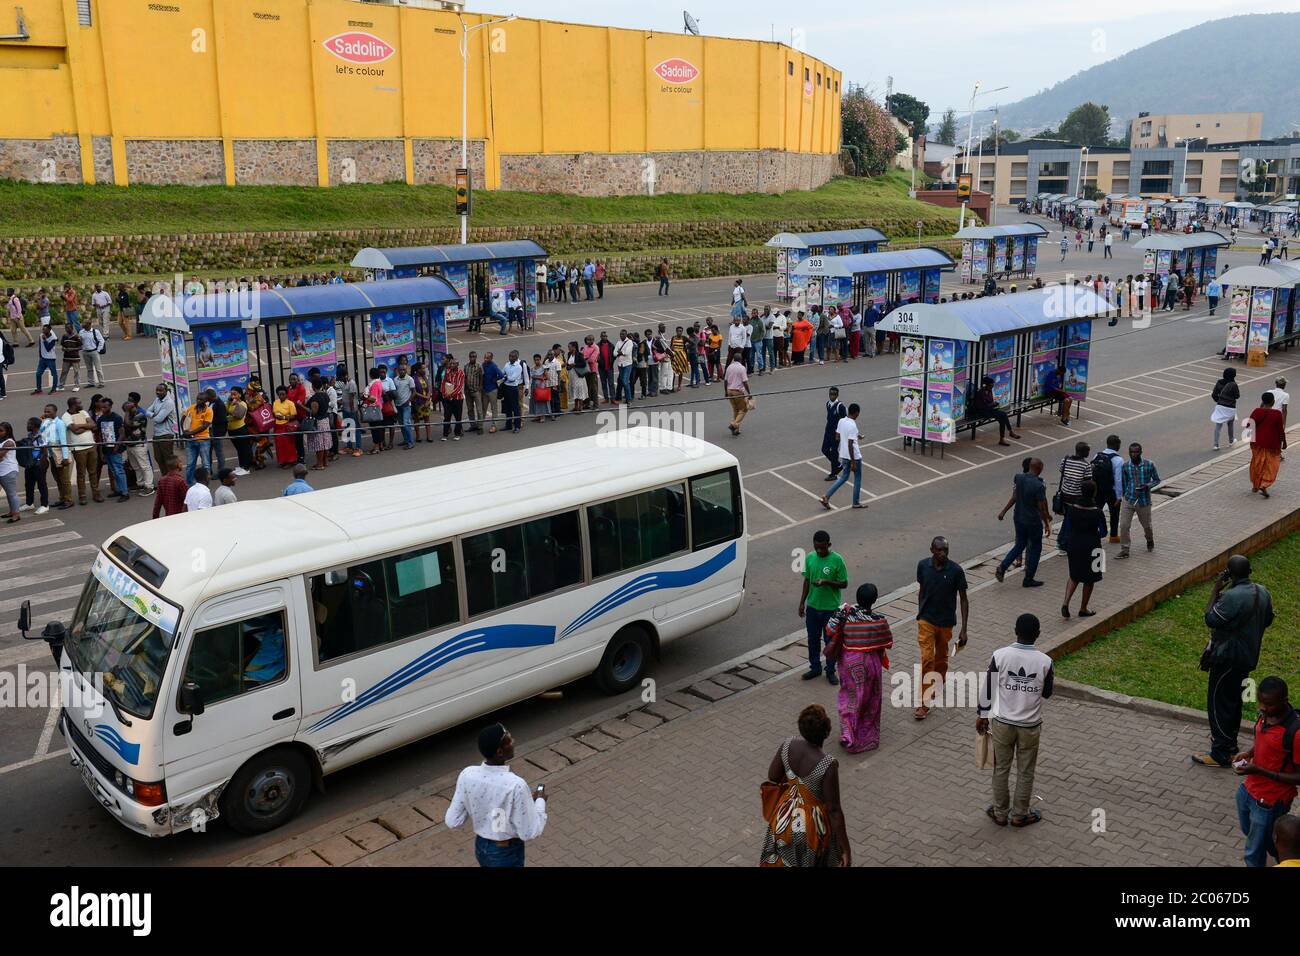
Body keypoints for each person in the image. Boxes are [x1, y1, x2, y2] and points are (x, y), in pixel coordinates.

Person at [1192, 555, 1274, 770]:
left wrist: (1216, 588)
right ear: (1250, 571)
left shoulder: (1231, 596)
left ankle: (1220, 753)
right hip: (1248, 656)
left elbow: (1210, 617)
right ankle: (1230, 743)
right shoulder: (1263, 591)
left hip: (1227, 658)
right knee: (1234, 701)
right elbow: (1268, 619)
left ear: (1230, 574)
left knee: (1219, 704)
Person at [977, 613, 1054, 828]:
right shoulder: (1045, 661)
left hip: (1002, 723)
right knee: (1026, 770)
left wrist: (982, 715)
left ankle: (1000, 812)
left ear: (1015, 632)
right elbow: (1047, 693)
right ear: (1038, 634)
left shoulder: (1000, 655)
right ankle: (1020, 814)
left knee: (1001, 768)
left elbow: (989, 689)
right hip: (1030, 725)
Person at [444, 723, 548, 867]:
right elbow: (529, 832)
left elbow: (453, 820)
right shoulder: (515, 785)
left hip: (481, 847)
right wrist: (540, 802)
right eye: (509, 740)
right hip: (506, 853)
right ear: (499, 752)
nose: (514, 742)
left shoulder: (467, 775)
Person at [760, 705, 849, 868]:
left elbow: (773, 776)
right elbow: (834, 810)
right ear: (826, 731)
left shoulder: (788, 745)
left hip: (783, 817)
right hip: (811, 828)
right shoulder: (827, 764)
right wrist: (845, 849)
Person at [823, 583, 893, 752]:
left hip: (849, 663)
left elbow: (829, 629)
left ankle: (848, 732)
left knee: (850, 696)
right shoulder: (879, 620)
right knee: (869, 698)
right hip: (871, 665)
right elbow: (888, 642)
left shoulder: (844, 612)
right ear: (874, 600)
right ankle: (865, 733)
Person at [914, 536, 969, 720]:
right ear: (932, 550)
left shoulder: (956, 571)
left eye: (946, 550)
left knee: (941, 659)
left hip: (946, 622)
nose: (943, 553)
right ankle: (924, 702)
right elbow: (922, 590)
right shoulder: (923, 566)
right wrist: (920, 612)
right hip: (926, 621)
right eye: (939, 550)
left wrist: (964, 628)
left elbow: (963, 598)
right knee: (927, 659)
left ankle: (939, 681)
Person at [797, 530, 848, 684]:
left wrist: (826, 582)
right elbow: (806, 580)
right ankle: (815, 667)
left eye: (822, 548)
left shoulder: (837, 560)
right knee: (813, 640)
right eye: (816, 547)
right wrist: (802, 602)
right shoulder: (810, 558)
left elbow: (844, 583)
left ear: (829, 545)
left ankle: (831, 670)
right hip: (812, 607)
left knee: (830, 641)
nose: (819, 550)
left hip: (830, 609)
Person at [995, 457, 1051, 587]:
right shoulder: (1039, 485)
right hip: (1033, 521)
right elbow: (1041, 507)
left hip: (1019, 518)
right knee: (1036, 547)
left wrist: (1004, 511)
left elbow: (1015, 496)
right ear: (1039, 469)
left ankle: (1003, 566)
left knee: (1020, 544)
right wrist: (1047, 522)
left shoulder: (1018, 478)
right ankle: (1028, 578)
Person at [1061, 480, 1106, 618]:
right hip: (1093, 546)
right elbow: (1104, 532)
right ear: (1094, 493)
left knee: (1074, 575)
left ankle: (1065, 603)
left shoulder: (1072, 509)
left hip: (1074, 544)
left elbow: (1067, 528)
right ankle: (1083, 608)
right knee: (1090, 579)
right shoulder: (1098, 512)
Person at [1116, 442, 1159, 559]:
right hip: (1129, 500)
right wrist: (1124, 496)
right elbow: (1124, 483)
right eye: (1131, 452)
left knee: (1147, 526)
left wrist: (1147, 486)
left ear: (1141, 452)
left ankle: (1149, 540)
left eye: (1136, 452)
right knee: (1124, 525)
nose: (1133, 454)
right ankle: (1125, 550)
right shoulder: (1125, 466)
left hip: (1143, 501)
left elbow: (1156, 480)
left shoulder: (1149, 465)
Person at [819, 403, 865, 510]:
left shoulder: (842, 421)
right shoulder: (853, 425)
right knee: (857, 478)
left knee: (844, 477)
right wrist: (853, 462)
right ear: (857, 413)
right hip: (854, 456)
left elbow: (837, 436)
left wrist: (858, 436)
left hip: (843, 455)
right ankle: (856, 502)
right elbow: (850, 444)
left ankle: (826, 496)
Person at [62, 396, 100, 504]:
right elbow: (74, 430)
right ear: (73, 405)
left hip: (91, 446)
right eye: (79, 403)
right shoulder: (66, 416)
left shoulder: (83, 412)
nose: (82, 404)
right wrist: (87, 426)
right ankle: (82, 495)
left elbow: (93, 424)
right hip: (78, 449)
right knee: (81, 473)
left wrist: (80, 426)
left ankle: (96, 493)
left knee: (93, 472)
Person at [1248, 392, 1285, 498]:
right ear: (1273, 402)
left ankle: (1255, 485)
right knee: (1271, 464)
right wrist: (1284, 442)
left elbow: (1248, 425)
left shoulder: (1257, 411)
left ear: (1262, 401)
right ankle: (1264, 484)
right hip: (1272, 444)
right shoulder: (1277, 414)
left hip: (1257, 442)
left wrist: (1259, 410)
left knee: (1257, 462)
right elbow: (1280, 430)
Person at [94, 397, 131, 504]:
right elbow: (100, 435)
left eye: (105, 407)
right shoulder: (101, 419)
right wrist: (101, 451)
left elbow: (122, 434)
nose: (103, 409)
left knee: (119, 470)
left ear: (110, 406)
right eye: (102, 407)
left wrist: (116, 446)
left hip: (115, 449)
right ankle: (119, 489)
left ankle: (125, 492)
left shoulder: (116, 418)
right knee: (113, 470)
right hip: (106, 449)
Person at [971, 375, 1021, 446]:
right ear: (987, 385)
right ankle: (1010, 432)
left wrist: (993, 404)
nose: (992, 386)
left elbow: (989, 402)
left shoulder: (989, 390)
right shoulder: (981, 392)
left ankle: (1002, 439)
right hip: (982, 412)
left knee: (1002, 419)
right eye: (991, 385)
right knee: (1003, 414)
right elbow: (981, 406)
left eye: (993, 385)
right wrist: (992, 404)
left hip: (990, 410)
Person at [1093, 434, 1124, 543]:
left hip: (1098, 491)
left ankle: (1094, 533)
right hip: (1111, 491)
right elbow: (1118, 479)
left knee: (1096, 512)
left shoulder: (1097, 455)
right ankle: (1113, 536)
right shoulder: (1118, 459)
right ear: (1117, 445)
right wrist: (1119, 496)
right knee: (1114, 514)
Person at [144, 382, 178, 475]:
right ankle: (165, 476)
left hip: (166, 434)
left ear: (166, 391)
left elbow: (158, 419)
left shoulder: (169, 403)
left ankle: (173, 477)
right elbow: (147, 411)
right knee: (158, 458)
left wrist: (154, 415)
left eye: (160, 390)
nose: (158, 392)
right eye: (157, 390)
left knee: (168, 458)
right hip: (157, 434)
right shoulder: (157, 400)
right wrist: (154, 414)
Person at [821, 387, 847, 480]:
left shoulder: (840, 406)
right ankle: (838, 465)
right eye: (830, 394)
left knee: (834, 452)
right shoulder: (828, 404)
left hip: (836, 433)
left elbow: (844, 420)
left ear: (837, 395)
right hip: (828, 431)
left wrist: (840, 433)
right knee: (824, 450)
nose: (832, 396)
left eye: (834, 394)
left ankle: (833, 474)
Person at [1211, 366, 1240, 448]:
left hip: (1220, 406)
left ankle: (1216, 444)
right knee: (1230, 424)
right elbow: (1237, 396)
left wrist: (1219, 401)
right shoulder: (1233, 384)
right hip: (1230, 407)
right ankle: (1231, 441)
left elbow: (1214, 395)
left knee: (1218, 425)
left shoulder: (1219, 382)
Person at [271, 385, 300, 467]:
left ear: (286, 394)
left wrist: (283, 417)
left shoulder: (290, 403)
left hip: (286, 426)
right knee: (280, 446)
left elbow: (293, 416)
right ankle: (282, 461)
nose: (281, 396)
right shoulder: (275, 402)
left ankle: (291, 461)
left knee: (288, 445)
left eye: (283, 394)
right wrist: (275, 416)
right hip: (277, 427)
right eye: (279, 394)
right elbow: (273, 412)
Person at [724, 352, 750, 436]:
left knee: (735, 410)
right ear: (740, 359)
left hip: (729, 391)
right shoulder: (742, 368)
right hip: (738, 392)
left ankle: (736, 430)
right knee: (744, 409)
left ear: (734, 359)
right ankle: (734, 424)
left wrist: (725, 392)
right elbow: (745, 382)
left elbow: (725, 381)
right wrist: (749, 393)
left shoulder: (729, 367)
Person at [440, 356, 465, 440]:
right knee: (447, 416)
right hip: (447, 398)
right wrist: (444, 393)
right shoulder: (447, 372)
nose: (451, 365)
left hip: (457, 398)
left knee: (458, 416)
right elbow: (443, 383)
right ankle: (445, 434)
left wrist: (450, 394)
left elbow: (459, 387)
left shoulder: (461, 373)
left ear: (457, 365)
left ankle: (457, 434)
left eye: (454, 364)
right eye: (451, 363)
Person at [501, 350, 525, 433]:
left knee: (515, 408)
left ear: (516, 357)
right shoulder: (506, 364)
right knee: (507, 407)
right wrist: (505, 376)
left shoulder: (518, 367)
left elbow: (512, 379)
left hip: (513, 389)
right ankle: (508, 425)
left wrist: (505, 377)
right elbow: (502, 373)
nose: (510, 358)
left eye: (512, 356)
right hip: (506, 388)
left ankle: (517, 426)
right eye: (509, 356)